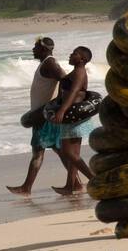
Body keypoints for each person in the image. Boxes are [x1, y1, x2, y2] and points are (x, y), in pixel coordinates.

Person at [8, 37, 65, 196]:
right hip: (43, 116)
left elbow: (65, 79)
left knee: (39, 151)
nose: (33, 50)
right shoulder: (46, 63)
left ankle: (26, 188)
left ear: (44, 49)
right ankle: (76, 184)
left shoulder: (50, 63)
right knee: (58, 150)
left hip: (44, 118)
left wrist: (58, 102)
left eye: (35, 47)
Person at [49, 46, 96, 195]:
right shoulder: (75, 71)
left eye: (74, 54)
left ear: (82, 59)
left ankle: (95, 180)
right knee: (73, 153)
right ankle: (70, 186)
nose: (70, 55)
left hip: (73, 116)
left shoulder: (80, 72)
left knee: (68, 152)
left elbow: (74, 91)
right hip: (72, 116)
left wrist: (62, 110)